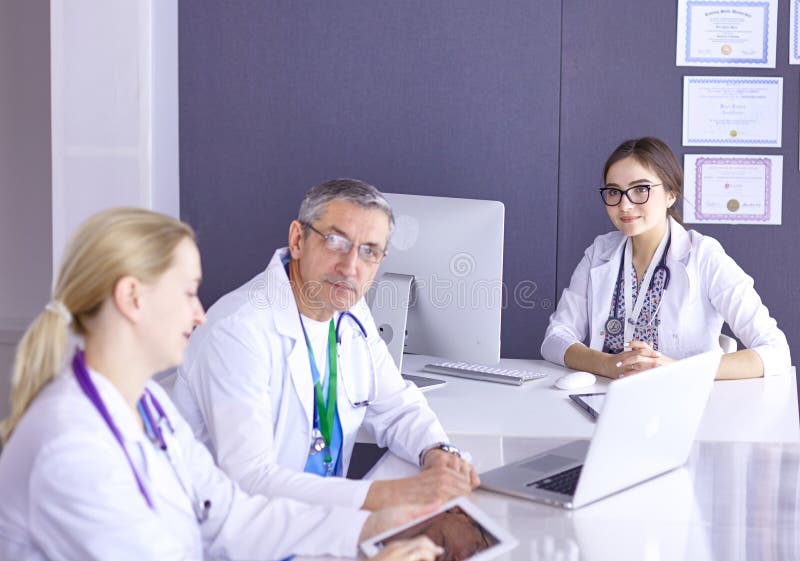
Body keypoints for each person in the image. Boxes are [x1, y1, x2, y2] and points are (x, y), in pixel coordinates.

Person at [0, 207, 443, 561]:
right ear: (132, 298)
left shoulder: (147, 402)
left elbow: (230, 516)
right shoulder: (72, 449)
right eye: (189, 292)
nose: (200, 314)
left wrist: (372, 528)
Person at [171, 178, 479, 511]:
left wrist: (436, 453)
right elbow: (250, 478)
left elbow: (397, 407)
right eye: (335, 241)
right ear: (298, 240)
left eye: (369, 252)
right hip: (242, 535)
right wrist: (390, 497)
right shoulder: (239, 331)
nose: (350, 267)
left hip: (318, 523)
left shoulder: (349, 312)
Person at [541, 137, 790, 379]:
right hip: (609, 398)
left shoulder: (704, 256)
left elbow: (776, 352)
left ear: (671, 194)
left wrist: (677, 370)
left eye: (640, 190)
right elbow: (554, 339)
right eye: (614, 191)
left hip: (684, 404)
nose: (625, 205)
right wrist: (607, 364)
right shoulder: (599, 252)